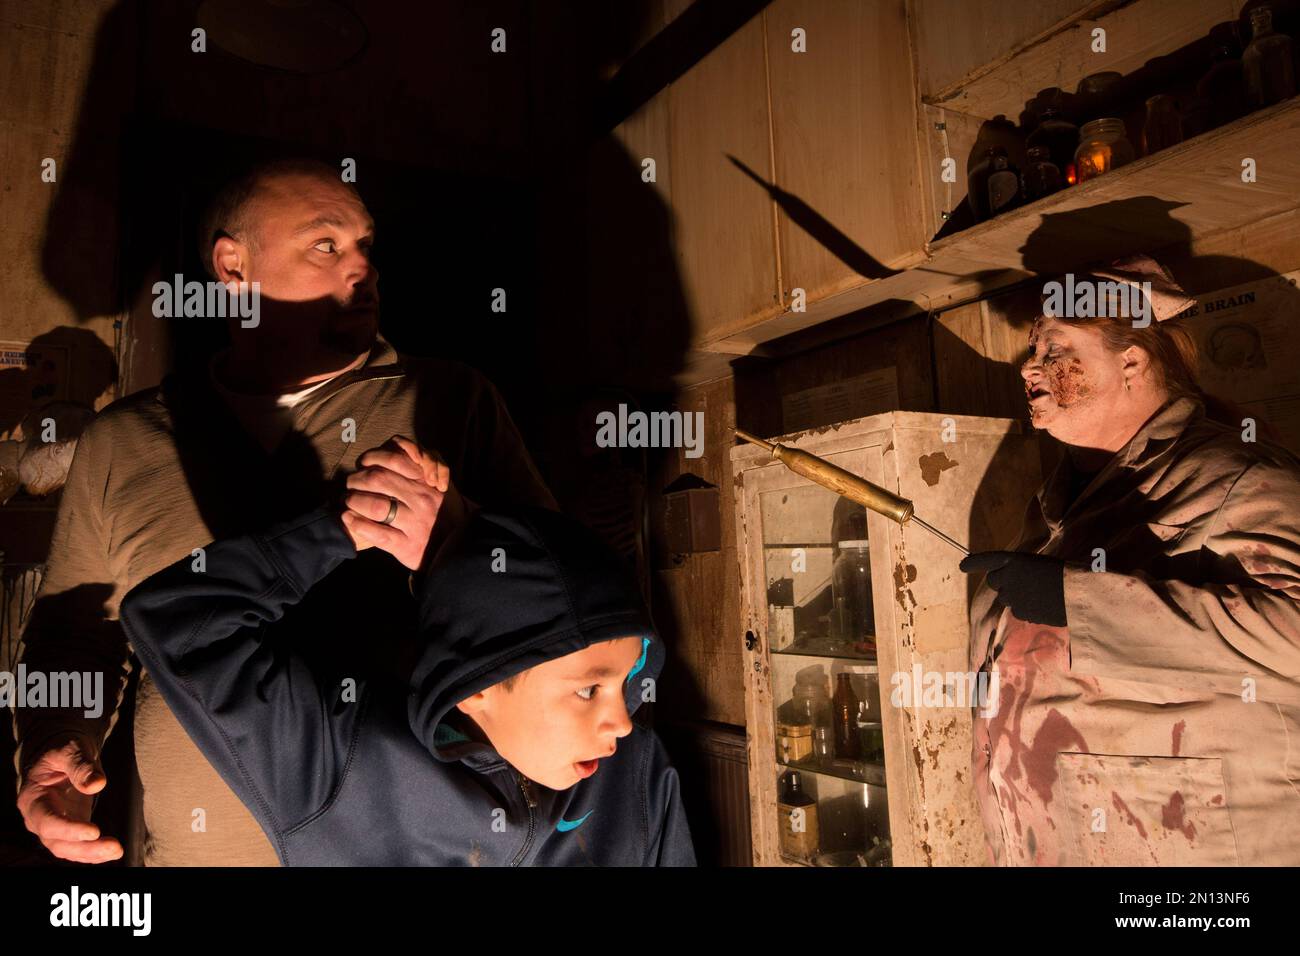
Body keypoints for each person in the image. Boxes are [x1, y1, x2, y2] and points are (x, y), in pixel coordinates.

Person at [14, 157, 556, 866]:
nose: (363, 268)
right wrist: (57, 741)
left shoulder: (450, 403)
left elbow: (567, 605)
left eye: (367, 247)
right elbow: (75, 631)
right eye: (327, 244)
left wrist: (458, 535)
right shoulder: (125, 441)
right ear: (233, 267)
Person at [116, 488, 696, 866]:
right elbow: (178, 623)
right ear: (478, 687)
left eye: (626, 682)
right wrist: (349, 525)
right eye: (589, 689)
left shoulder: (639, 776)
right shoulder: (341, 763)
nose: (621, 721)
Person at [960, 254, 1300, 866]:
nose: (1029, 368)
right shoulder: (1053, 507)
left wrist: (1081, 603)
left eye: (1054, 349)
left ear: (1132, 360)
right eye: (1031, 351)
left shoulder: (1239, 478)